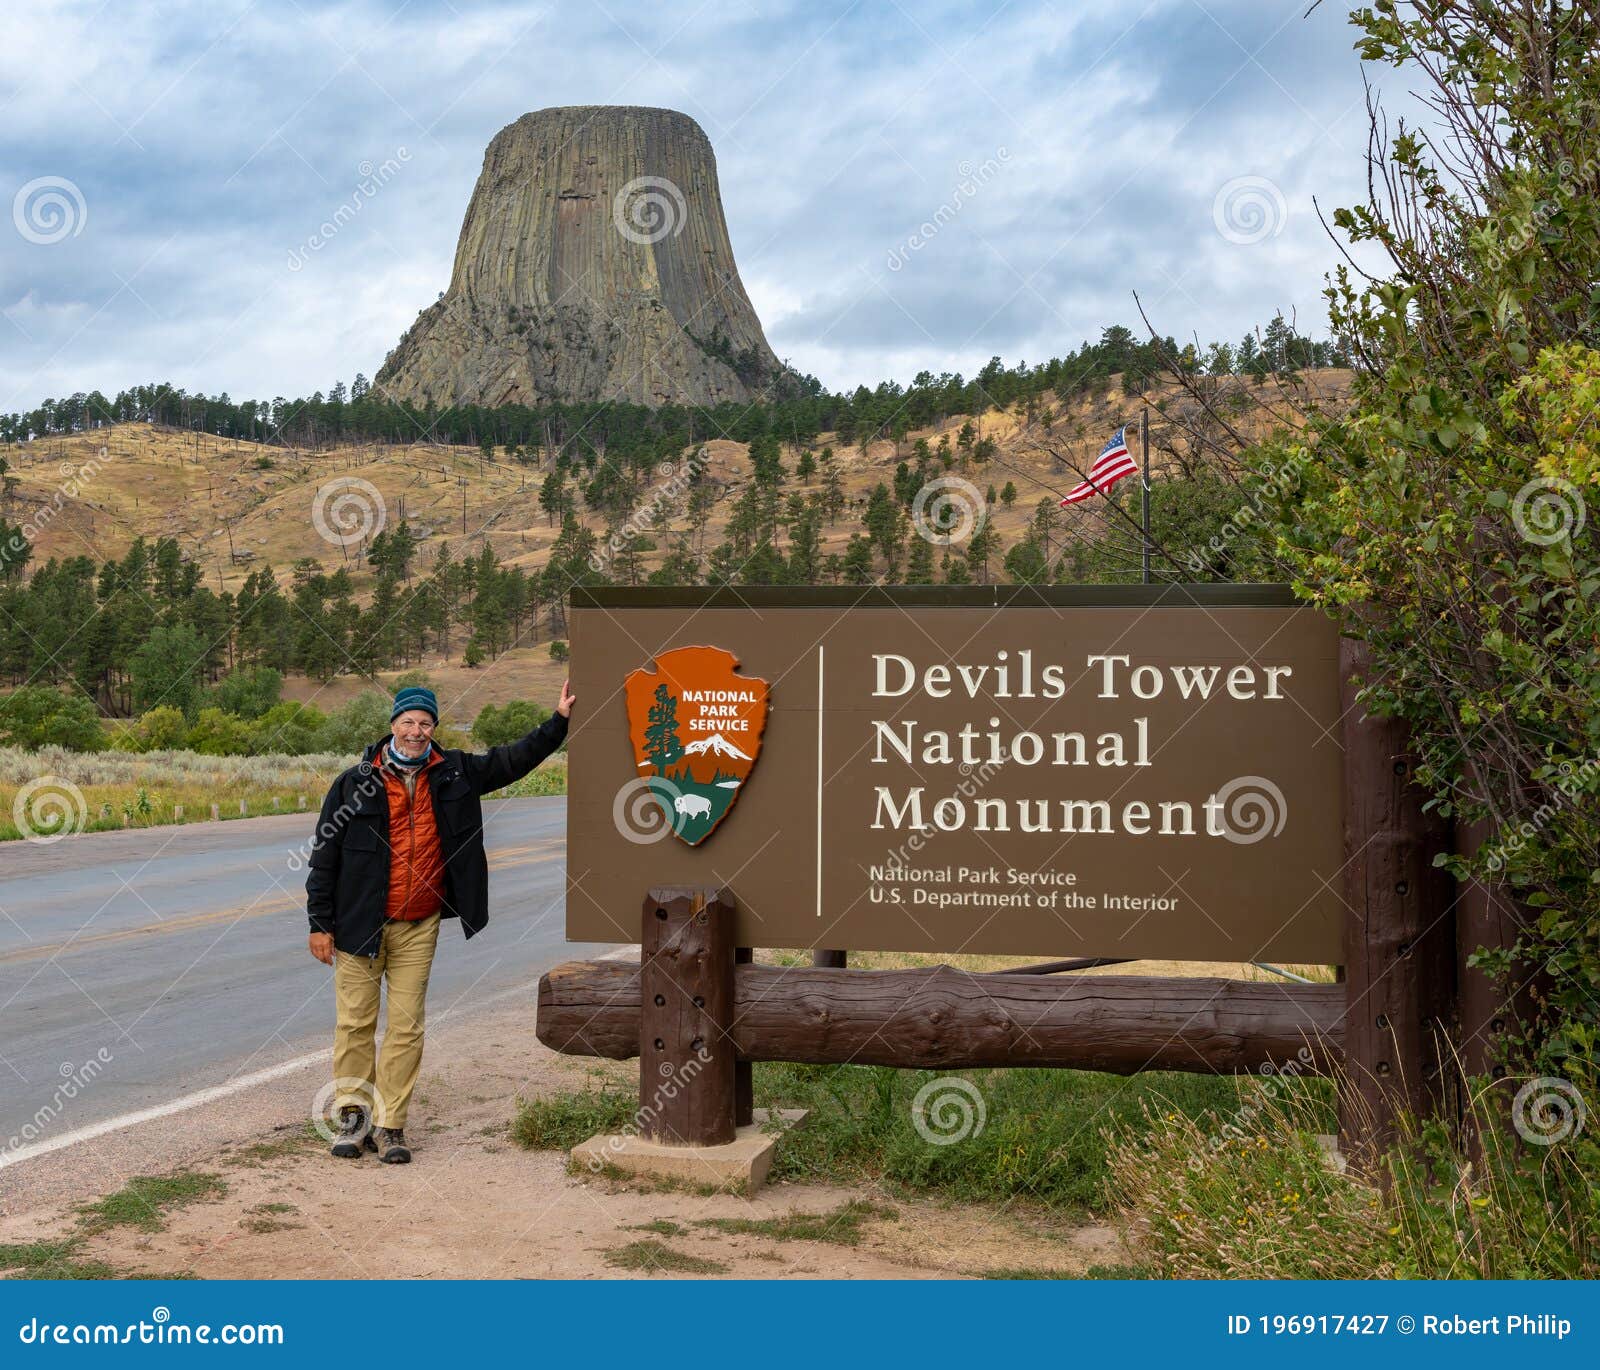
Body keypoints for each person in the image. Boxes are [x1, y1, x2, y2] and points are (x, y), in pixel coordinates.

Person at [305, 680, 574, 1162]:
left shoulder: (456, 773)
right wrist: (318, 922)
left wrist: (559, 722)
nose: (416, 731)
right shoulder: (353, 782)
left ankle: (390, 1127)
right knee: (355, 1025)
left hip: (417, 923)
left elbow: (514, 759)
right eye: (407, 722)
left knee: (406, 1027)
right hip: (357, 924)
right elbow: (324, 856)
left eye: (425, 723)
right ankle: (352, 1120)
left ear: (434, 728)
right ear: (391, 727)